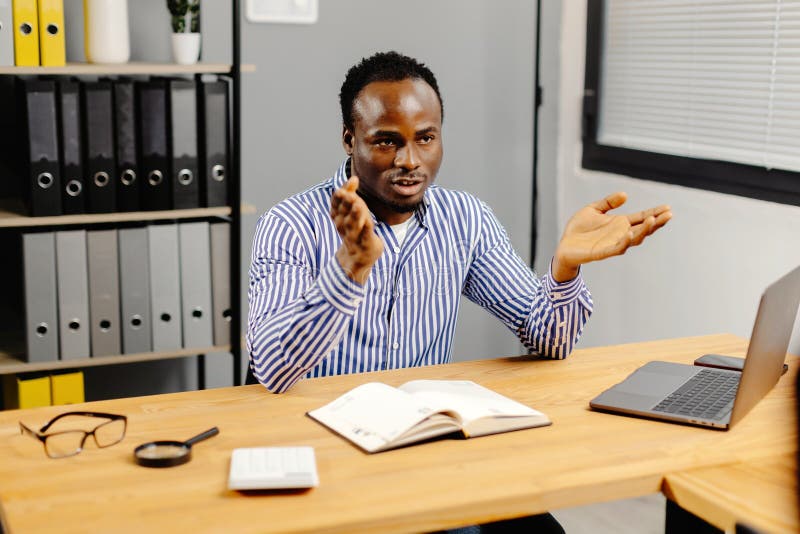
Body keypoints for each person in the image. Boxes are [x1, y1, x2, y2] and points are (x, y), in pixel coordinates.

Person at [246, 50, 671, 534]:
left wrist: (564, 269)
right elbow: (272, 368)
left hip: (427, 451)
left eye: (425, 138)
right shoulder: (289, 225)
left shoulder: (464, 219)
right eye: (386, 142)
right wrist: (349, 269)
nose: (409, 161)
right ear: (350, 139)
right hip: (326, 455)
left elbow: (548, 339)